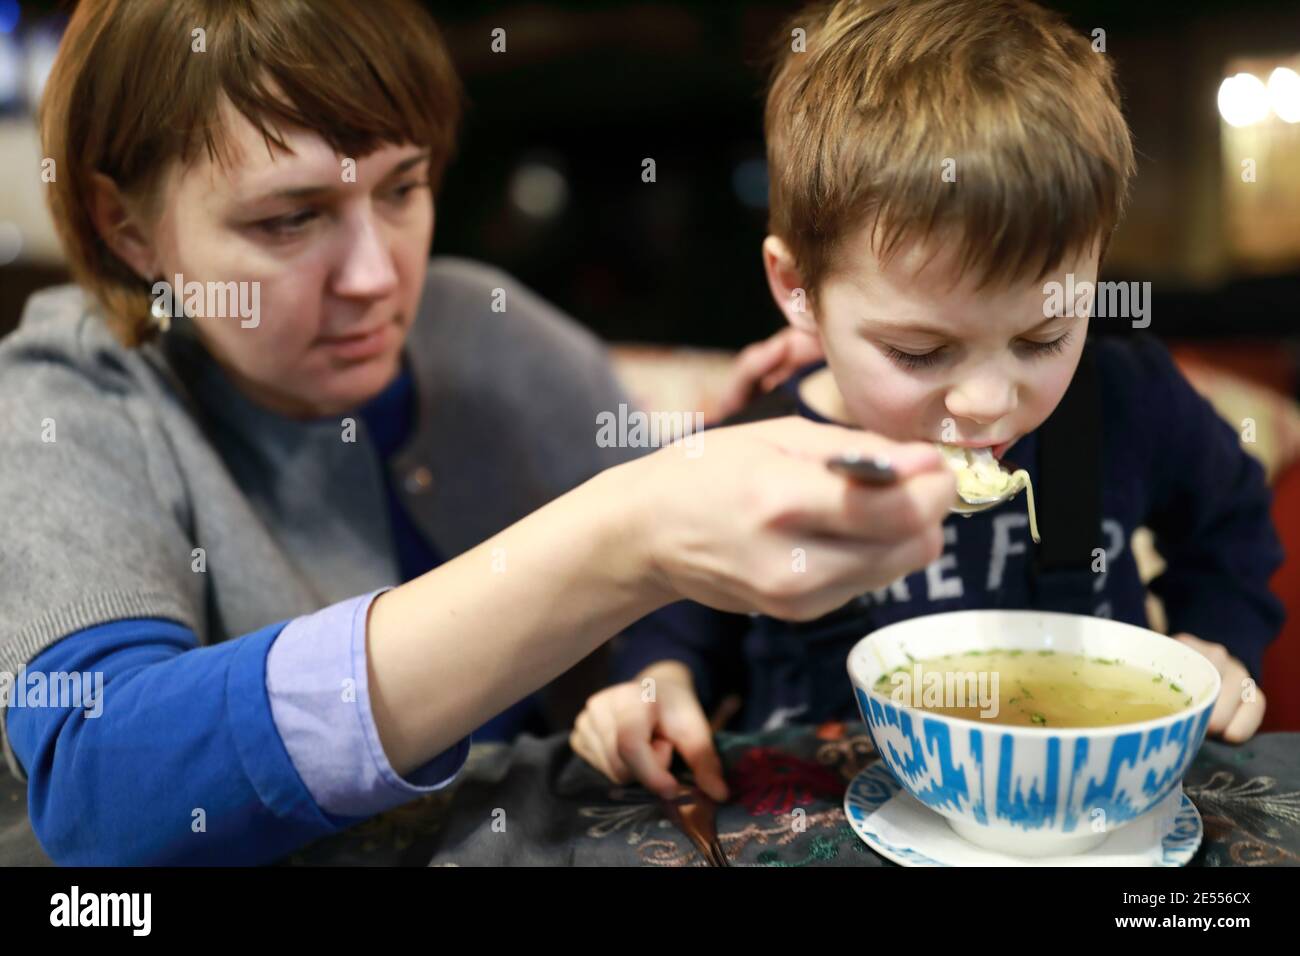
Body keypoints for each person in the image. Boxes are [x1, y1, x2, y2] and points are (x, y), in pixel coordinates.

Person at [0, 0, 955, 865]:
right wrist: (625, 534)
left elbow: (661, 572)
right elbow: (100, 788)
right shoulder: (65, 404)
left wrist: (725, 439)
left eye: (402, 189)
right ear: (123, 225)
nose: (376, 276)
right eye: (291, 220)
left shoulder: (477, 322)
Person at [572, 0, 1286, 803]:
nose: (985, 403)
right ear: (798, 291)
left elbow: (1229, 527)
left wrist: (1217, 644)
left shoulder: (1119, 402)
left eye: (1043, 337)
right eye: (919, 352)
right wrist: (656, 683)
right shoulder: (756, 449)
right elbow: (678, 618)